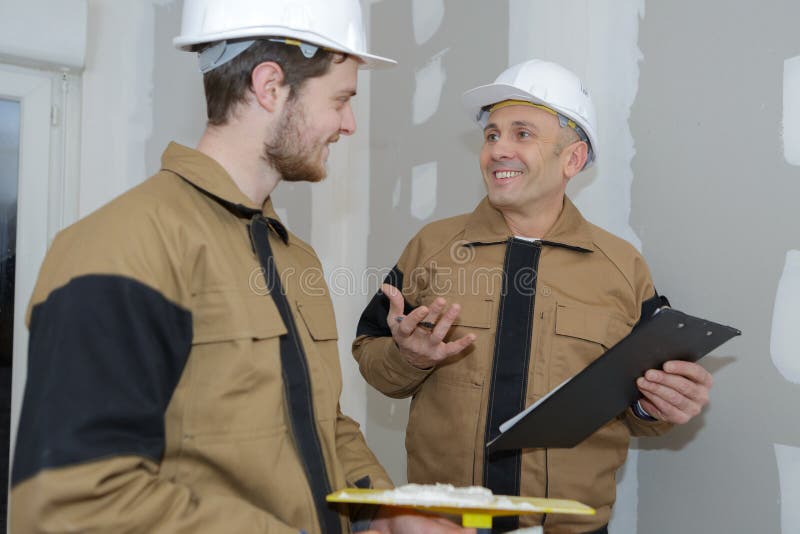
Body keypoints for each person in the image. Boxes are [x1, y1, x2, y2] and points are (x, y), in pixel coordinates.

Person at [9, 1, 472, 533]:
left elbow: (323, 424)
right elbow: (73, 504)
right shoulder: (118, 246)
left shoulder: (294, 258)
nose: (348, 124)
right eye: (341, 99)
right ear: (270, 86)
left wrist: (388, 514)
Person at [353, 59, 714, 534]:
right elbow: (369, 353)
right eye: (492, 135)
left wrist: (656, 403)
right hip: (443, 527)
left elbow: (637, 406)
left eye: (522, 134)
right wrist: (408, 358)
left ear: (573, 159)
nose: (498, 149)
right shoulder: (431, 248)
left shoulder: (623, 270)